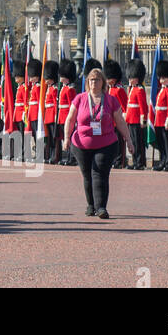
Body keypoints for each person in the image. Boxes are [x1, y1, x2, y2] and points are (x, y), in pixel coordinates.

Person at [62, 67, 134, 220]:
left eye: (97, 79)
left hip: (106, 143)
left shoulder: (110, 100)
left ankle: (101, 207)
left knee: (100, 173)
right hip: (81, 144)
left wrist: (128, 140)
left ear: (103, 82)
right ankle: (91, 205)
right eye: (92, 80)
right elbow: (70, 119)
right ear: (88, 82)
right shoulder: (80, 99)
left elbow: (120, 122)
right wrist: (67, 138)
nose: (94, 82)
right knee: (87, 175)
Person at [151, 59, 168, 171]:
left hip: (165, 122)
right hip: (158, 121)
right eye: (161, 77)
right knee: (161, 144)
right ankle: (163, 161)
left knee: (167, 144)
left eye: (164, 77)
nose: (161, 79)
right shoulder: (161, 91)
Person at [104, 60, 129, 169]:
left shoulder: (119, 90)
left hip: (118, 121)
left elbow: (124, 107)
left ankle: (120, 160)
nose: (108, 80)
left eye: (110, 78)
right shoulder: (109, 90)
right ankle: (114, 159)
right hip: (110, 121)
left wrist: (123, 120)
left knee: (119, 142)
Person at [56, 60, 78, 166]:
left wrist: (73, 119)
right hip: (61, 116)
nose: (60, 78)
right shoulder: (64, 88)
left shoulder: (70, 89)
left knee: (69, 137)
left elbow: (72, 106)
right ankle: (68, 157)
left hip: (67, 117)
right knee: (65, 138)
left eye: (62, 76)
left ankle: (72, 158)